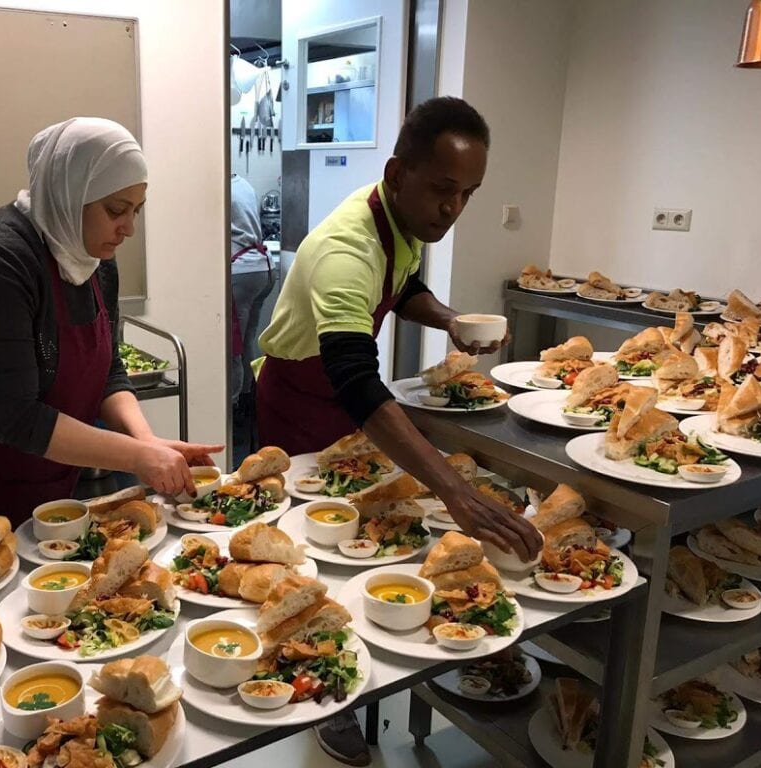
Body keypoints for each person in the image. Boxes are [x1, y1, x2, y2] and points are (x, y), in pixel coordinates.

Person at [256, 97, 542, 765]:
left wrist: (451, 323)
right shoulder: (346, 248)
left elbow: (404, 282)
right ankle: (327, 694)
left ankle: (386, 654)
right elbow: (358, 382)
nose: (453, 209)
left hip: (350, 403)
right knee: (317, 557)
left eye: (468, 194)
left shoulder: (400, 220)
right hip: (301, 404)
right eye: (444, 190)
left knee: (374, 545)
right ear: (397, 173)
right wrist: (454, 491)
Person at [0, 117, 221, 539]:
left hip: (20, 463)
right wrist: (137, 459)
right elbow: (14, 415)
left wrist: (147, 442)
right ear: (70, 195)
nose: (129, 228)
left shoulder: (93, 260)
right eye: (116, 211)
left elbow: (108, 371)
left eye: (136, 211)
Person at [229, 173, 275, 463]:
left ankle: (232, 408)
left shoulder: (222, 187)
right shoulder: (244, 183)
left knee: (231, 349)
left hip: (240, 270)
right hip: (263, 268)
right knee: (248, 342)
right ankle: (248, 401)